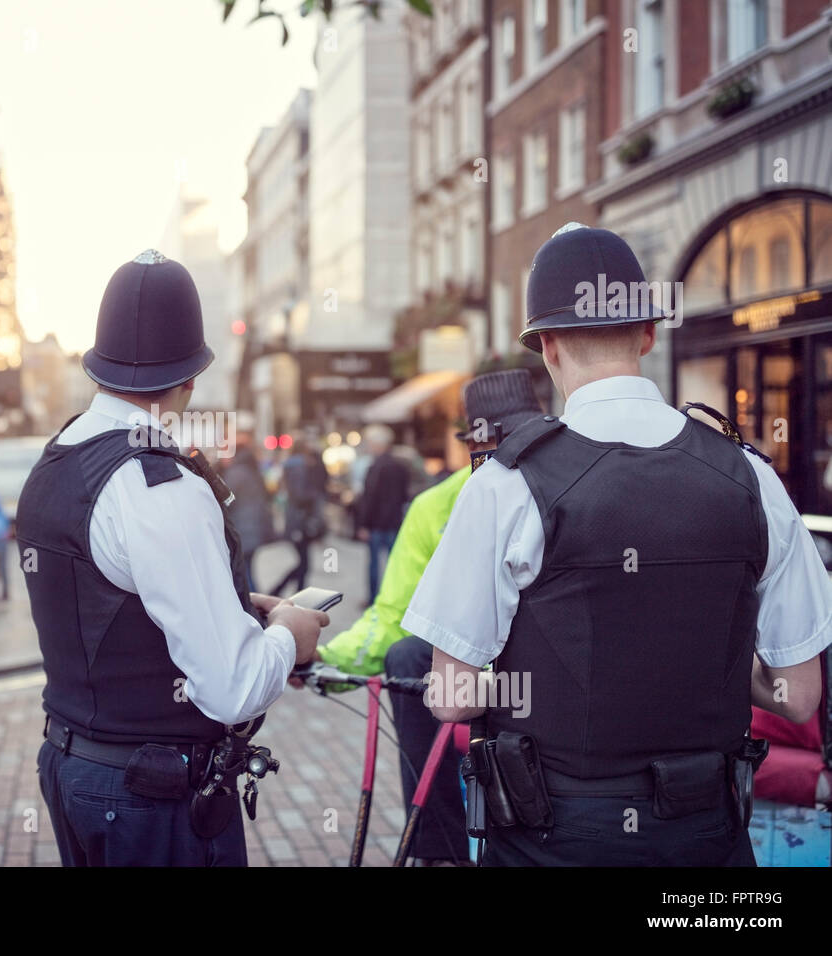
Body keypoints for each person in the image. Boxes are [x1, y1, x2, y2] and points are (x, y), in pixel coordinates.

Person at [403, 223, 832, 866]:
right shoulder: (751, 476)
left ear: (547, 347)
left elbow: (454, 695)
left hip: (557, 836)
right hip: (707, 833)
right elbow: (798, 696)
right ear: (648, 334)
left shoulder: (505, 484)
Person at [16, 249, 330, 867]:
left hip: (73, 767)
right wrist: (291, 635)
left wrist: (238, 607)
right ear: (190, 378)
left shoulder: (57, 457)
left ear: (98, 367)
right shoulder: (161, 487)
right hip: (150, 795)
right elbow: (234, 689)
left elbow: (116, 599)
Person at [299, 369, 544, 866]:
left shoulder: (447, 500)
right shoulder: (576, 478)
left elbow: (396, 616)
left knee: (410, 655)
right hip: (554, 684)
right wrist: (328, 658)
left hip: (484, 684)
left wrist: (325, 658)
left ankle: (439, 852)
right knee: (412, 656)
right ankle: (441, 848)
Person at [354, 424, 411, 604]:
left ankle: (373, 599)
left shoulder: (376, 467)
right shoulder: (400, 466)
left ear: (379, 444)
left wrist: (363, 524)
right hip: (394, 521)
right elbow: (404, 495)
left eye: (370, 443)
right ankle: (395, 597)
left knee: (374, 565)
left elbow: (369, 498)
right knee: (395, 564)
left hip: (377, 523)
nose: (369, 446)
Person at [271, 432, 328, 596]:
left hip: (297, 518)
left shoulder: (294, 464)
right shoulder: (299, 465)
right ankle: (287, 592)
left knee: (303, 562)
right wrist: (315, 494)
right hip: (300, 519)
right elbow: (300, 494)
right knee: (304, 563)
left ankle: (291, 592)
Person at [222, 443, 274, 593]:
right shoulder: (253, 471)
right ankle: (256, 604)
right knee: (248, 571)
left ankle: (254, 607)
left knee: (244, 575)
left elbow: (226, 500)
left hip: (242, 530)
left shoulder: (236, 473)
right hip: (255, 530)